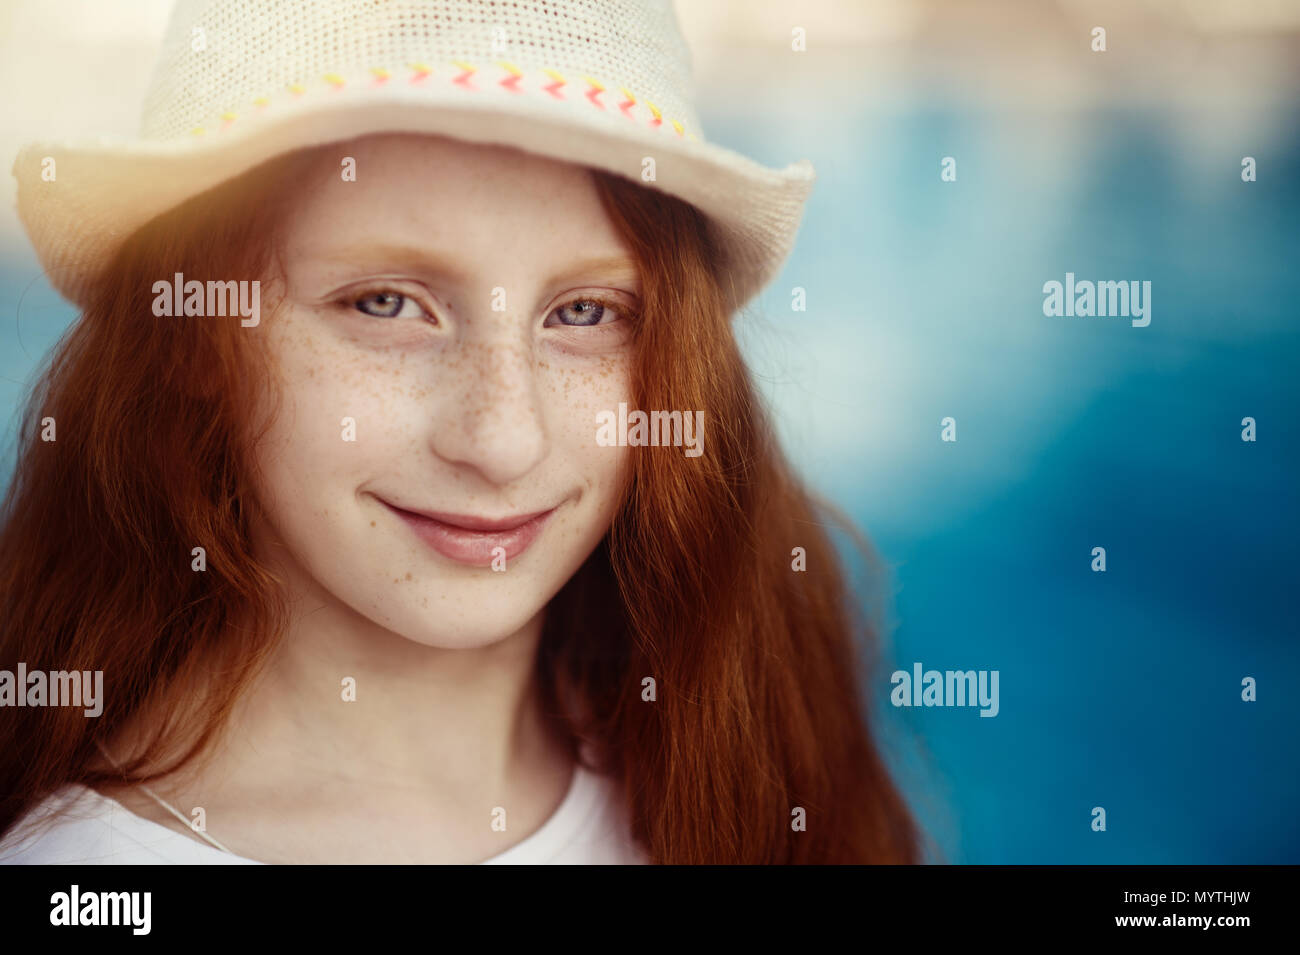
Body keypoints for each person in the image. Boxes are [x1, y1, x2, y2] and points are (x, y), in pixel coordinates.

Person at [0, 0, 921, 864]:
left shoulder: (745, 766)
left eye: (587, 312)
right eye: (387, 302)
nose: (503, 440)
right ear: (193, 333)